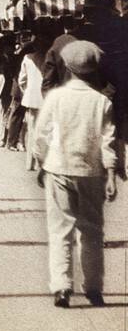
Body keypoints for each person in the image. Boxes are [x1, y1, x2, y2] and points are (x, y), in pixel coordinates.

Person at [32, 40, 117, 309]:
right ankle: (93, 288)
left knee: (60, 230)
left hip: (58, 168)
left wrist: (40, 160)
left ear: (67, 67)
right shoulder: (102, 101)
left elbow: (41, 134)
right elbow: (109, 141)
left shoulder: (56, 98)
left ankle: (62, 287)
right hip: (91, 171)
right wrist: (112, 174)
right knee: (92, 230)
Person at [18, 29, 46, 171]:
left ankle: (30, 163)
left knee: (32, 131)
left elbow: (21, 80)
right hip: (45, 99)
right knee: (44, 132)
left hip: (31, 99)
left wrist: (26, 92)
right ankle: (41, 164)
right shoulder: (48, 58)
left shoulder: (28, 58)